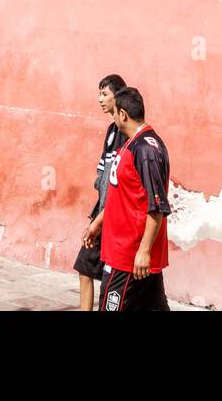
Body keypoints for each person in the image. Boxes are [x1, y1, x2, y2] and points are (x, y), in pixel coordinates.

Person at [84, 87, 172, 313]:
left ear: (123, 114)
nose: (113, 118)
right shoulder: (131, 144)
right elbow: (121, 194)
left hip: (128, 257)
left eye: (115, 113)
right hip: (127, 254)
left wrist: (143, 251)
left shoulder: (146, 150)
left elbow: (157, 206)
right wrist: (97, 223)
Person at [72, 73, 128, 312]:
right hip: (102, 209)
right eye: (99, 94)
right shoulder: (111, 131)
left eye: (104, 94)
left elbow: (120, 182)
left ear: (119, 97)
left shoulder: (127, 133)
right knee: (85, 266)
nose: (99, 99)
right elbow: (103, 168)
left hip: (115, 215)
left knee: (112, 279)